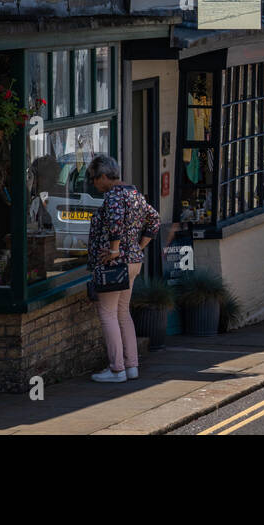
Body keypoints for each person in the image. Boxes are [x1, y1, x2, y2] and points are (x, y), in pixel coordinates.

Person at [86, 155, 160, 383]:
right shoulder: (134, 193)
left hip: (115, 264)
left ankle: (117, 369)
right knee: (122, 312)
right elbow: (154, 220)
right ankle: (132, 366)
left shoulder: (114, 196)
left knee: (107, 313)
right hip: (133, 261)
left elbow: (116, 222)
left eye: (94, 179)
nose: (93, 184)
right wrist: (138, 247)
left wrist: (116, 250)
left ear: (104, 177)